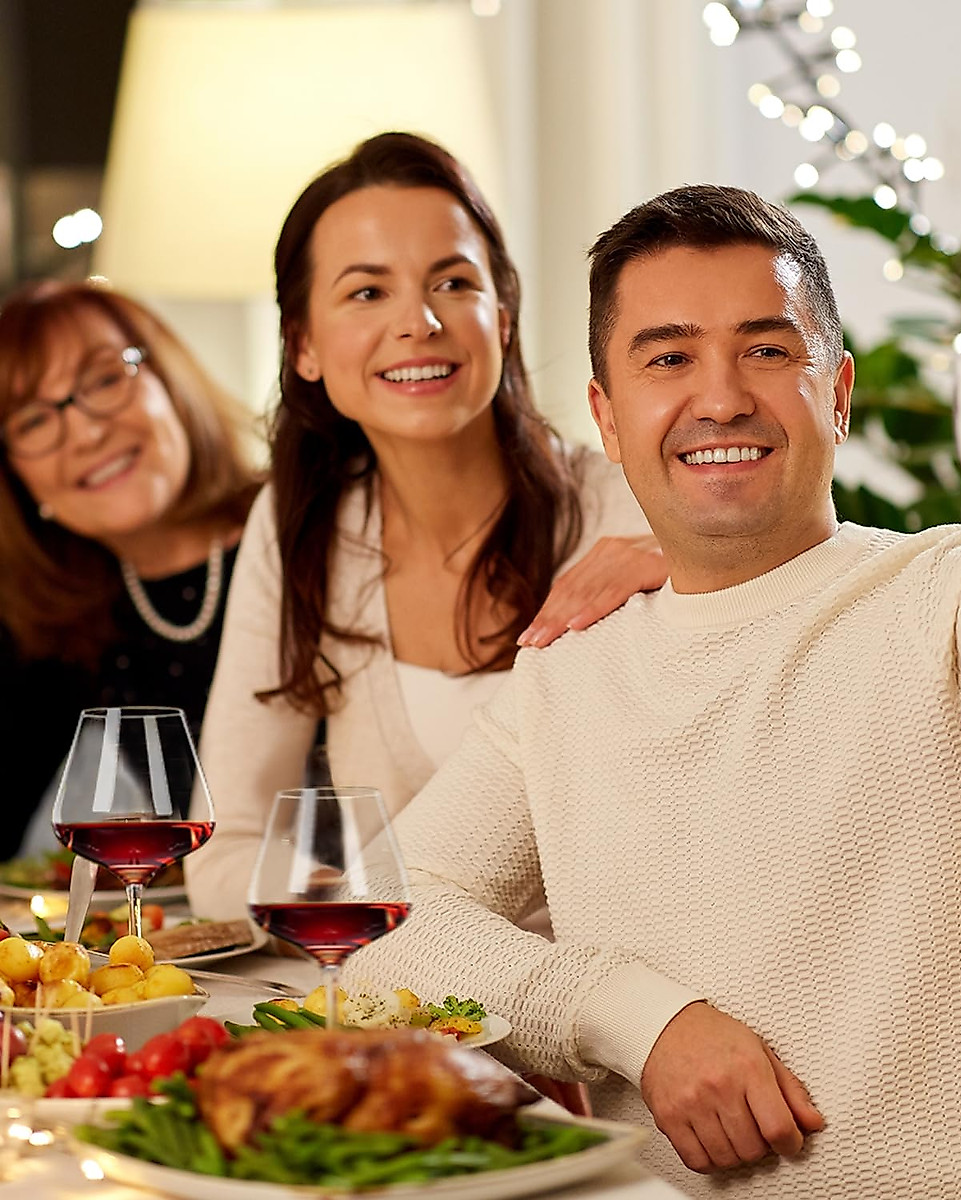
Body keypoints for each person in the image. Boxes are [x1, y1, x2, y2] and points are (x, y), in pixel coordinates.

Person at [349, 183, 961, 1199]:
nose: (720, 398)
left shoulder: (959, 601)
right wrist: (635, 1019)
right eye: (669, 358)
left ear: (836, 394)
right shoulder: (570, 670)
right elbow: (383, 918)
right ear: (608, 419)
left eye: (766, 350)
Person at [186, 133, 663, 923]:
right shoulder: (301, 523)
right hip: (403, 1016)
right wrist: (383, 917)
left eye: (452, 281)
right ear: (304, 344)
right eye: (368, 293)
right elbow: (227, 846)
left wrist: (692, 556)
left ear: (501, 318)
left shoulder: (632, 511)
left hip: (614, 1022)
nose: (420, 322)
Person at [0, 280, 260, 860]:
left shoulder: (307, 532)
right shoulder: (53, 626)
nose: (88, 431)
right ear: (17, 478)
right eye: (33, 422)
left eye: (102, 379)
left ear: (169, 380)